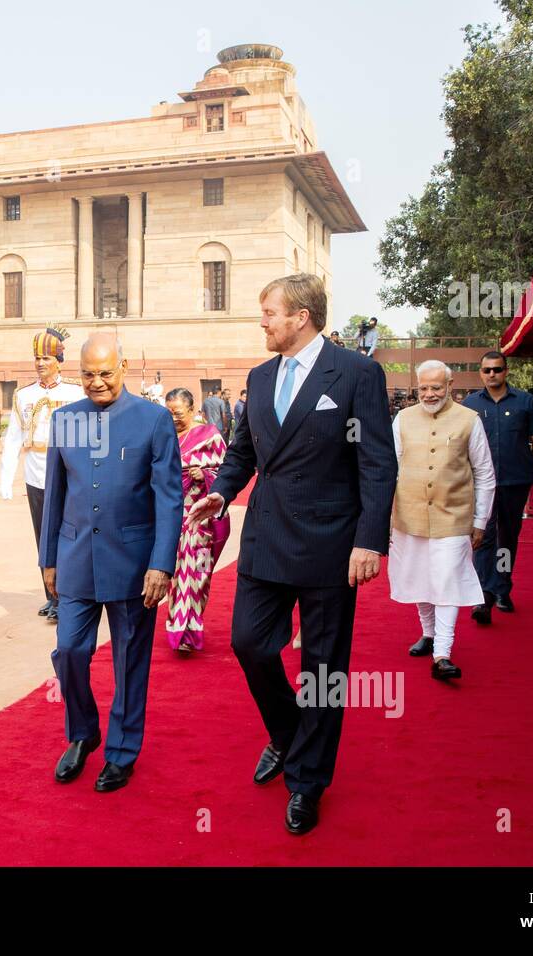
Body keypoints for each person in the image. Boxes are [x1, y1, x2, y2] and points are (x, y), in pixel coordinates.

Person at [189, 273, 397, 835]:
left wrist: (370, 540)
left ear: (300, 316)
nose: (262, 321)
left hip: (332, 546)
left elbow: (378, 462)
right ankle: (287, 733)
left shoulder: (356, 373)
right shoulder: (258, 379)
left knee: (323, 669)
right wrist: (220, 491)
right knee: (249, 643)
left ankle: (308, 781)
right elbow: (244, 452)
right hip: (265, 541)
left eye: (269, 312)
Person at [41, 333, 183, 792]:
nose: (96, 382)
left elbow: (169, 499)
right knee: (69, 652)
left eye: (105, 373)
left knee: (129, 663)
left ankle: (122, 752)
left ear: (124, 367)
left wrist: (162, 564)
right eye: (87, 374)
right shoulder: (65, 420)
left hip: (134, 566)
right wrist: (48, 559)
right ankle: (83, 734)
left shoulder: (153, 420)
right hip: (76, 559)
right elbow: (54, 497)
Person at [390, 361, 495, 680]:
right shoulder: (403, 419)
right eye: (423, 388)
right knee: (419, 576)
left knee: (447, 579)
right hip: (409, 516)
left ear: (450, 386)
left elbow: (485, 473)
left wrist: (480, 521)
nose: (429, 393)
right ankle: (428, 633)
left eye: (436, 387)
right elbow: (390, 468)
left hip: (454, 517)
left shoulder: (469, 420)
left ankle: (442, 654)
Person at [0, 328, 85, 621]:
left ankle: (69, 597)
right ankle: (52, 596)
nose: (40, 363)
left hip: (68, 474)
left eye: (46, 358)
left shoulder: (75, 392)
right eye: (37, 358)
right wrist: (6, 476)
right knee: (43, 537)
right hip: (36, 473)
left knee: (68, 536)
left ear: (59, 360)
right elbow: (13, 437)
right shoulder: (24, 395)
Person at [462, 351, 533, 622]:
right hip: (480, 484)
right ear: (481, 373)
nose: (492, 374)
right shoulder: (469, 404)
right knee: (482, 536)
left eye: (497, 369)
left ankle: (502, 587)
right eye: (487, 370)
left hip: (516, 481)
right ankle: (483, 596)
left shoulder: (526, 402)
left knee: (507, 539)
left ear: (506, 371)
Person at [163, 387, 230, 654]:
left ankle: (192, 627)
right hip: (170, 519)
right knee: (175, 576)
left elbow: (228, 471)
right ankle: (177, 629)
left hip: (199, 520)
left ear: (192, 410)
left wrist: (205, 475)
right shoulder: (162, 437)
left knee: (198, 574)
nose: (174, 418)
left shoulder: (209, 436)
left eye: (178, 413)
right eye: (168, 413)